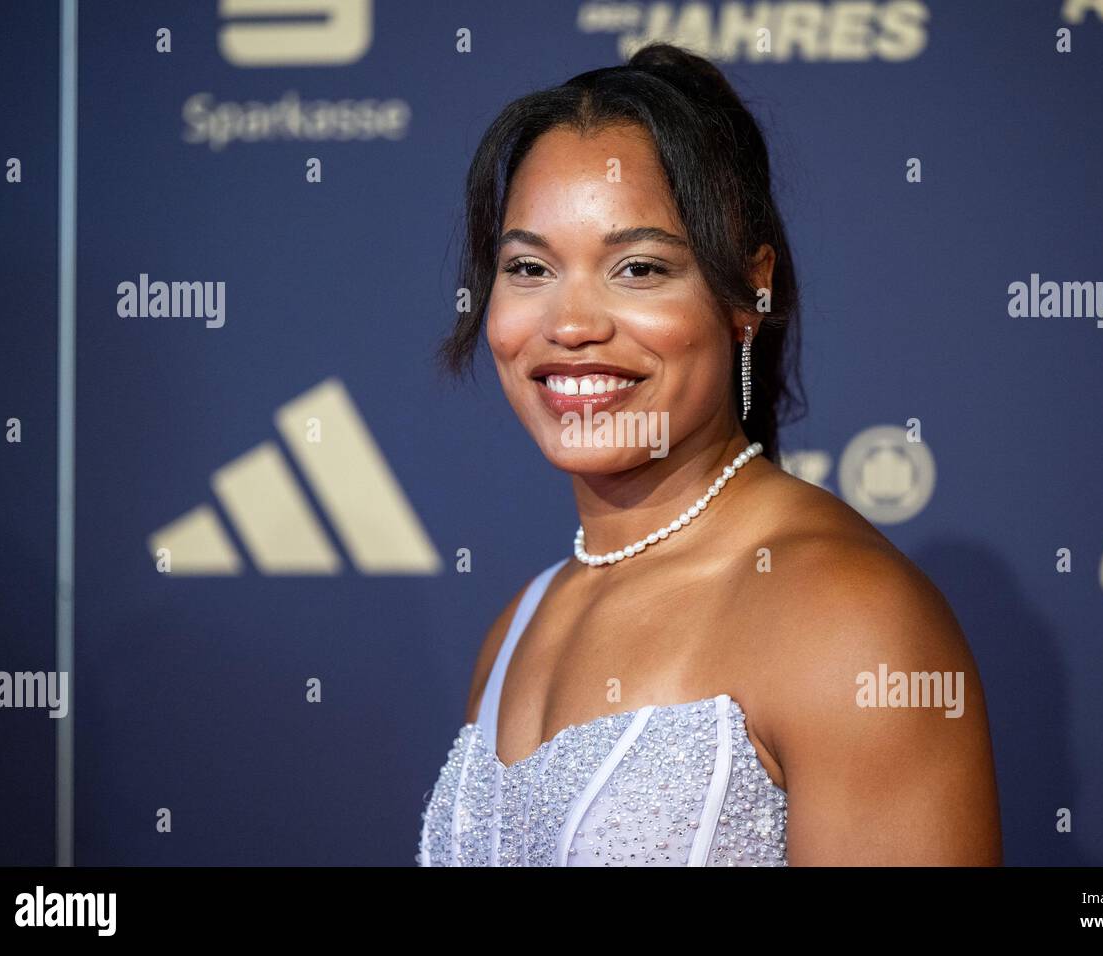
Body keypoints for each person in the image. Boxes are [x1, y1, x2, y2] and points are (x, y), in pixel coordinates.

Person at [416, 41, 1002, 866]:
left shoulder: (847, 619)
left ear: (746, 295)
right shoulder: (517, 625)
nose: (571, 324)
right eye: (529, 266)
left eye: (639, 267)